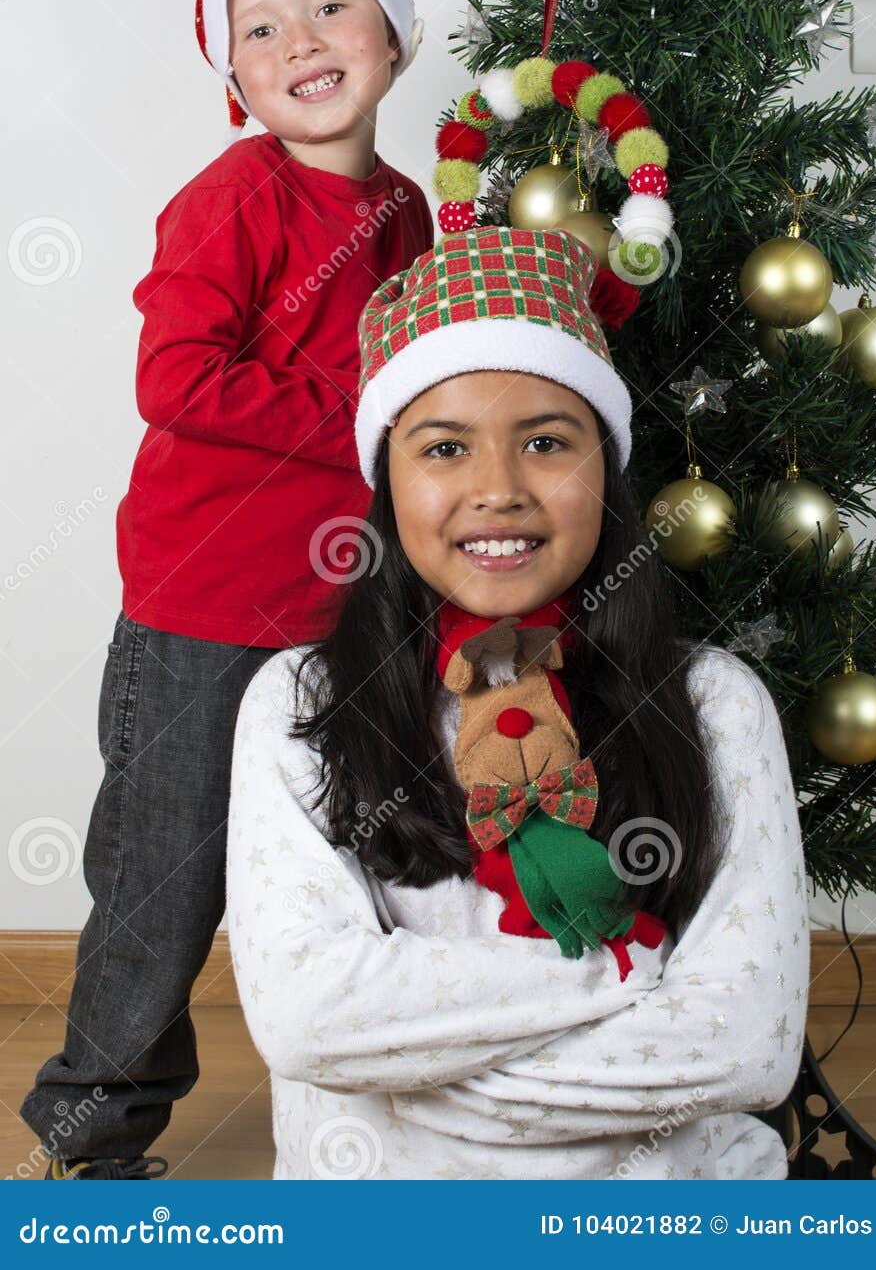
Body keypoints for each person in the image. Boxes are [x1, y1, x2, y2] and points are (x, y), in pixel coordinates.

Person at [226, 224, 810, 1180]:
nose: (497, 491)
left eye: (546, 442)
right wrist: (627, 972)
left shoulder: (715, 703)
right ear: (388, 481)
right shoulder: (302, 705)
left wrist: (412, 1077)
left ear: (606, 470)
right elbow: (306, 1018)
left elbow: (749, 1041)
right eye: (444, 447)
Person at [20, 0, 434, 1180]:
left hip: (358, 608)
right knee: (163, 882)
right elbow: (178, 379)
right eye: (259, 28)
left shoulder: (413, 210)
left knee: (383, 853)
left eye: (330, 4)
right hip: (204, 611)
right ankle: (91, 1142)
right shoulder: (233, 199)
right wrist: (358, 411)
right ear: (233, 74)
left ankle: (398, 1117)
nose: (301, 41)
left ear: (391, 27)